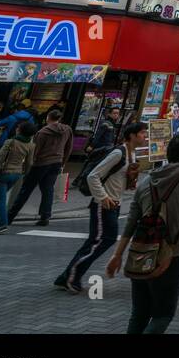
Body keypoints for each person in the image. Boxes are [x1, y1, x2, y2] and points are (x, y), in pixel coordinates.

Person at [106, 132, 179, 334]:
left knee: (139, 313)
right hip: (170, 256)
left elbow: (131, 222)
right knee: (163, 314)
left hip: (139, 253)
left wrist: (117, 254)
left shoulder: (147, 181)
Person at [57, 121, 148, 293]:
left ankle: (66, 276)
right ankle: (72, 277)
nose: (145, 137)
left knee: (101, 240)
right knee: (100, 240)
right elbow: (93, 176)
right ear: (132, 135)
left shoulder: (132, 155)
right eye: (143, 133)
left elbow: (117, 178)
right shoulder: (118, 153)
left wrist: (127, 184)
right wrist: (103, 197)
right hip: (103, 204)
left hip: (114, 202)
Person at [8, 108, 73, 226]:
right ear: (59, 118)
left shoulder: (42, 132)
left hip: (41, 163)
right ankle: (45, 216)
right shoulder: (67, 130)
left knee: (26, 189)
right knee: (48, 189)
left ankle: (10, 216)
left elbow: (35, 151)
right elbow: (68, 148)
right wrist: (63, 163)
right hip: (56, 162)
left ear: (48, 117)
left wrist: (28, 164)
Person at [0, 120, 35, 233]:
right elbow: (29, 163)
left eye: (18, 127)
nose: (16, 128)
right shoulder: (31, 145)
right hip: (16, 174)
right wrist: (25, 173)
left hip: (3, 174)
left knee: (0, 200)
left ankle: (3, 224)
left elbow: (0, 157)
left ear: (20, 130)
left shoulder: (11, 142)